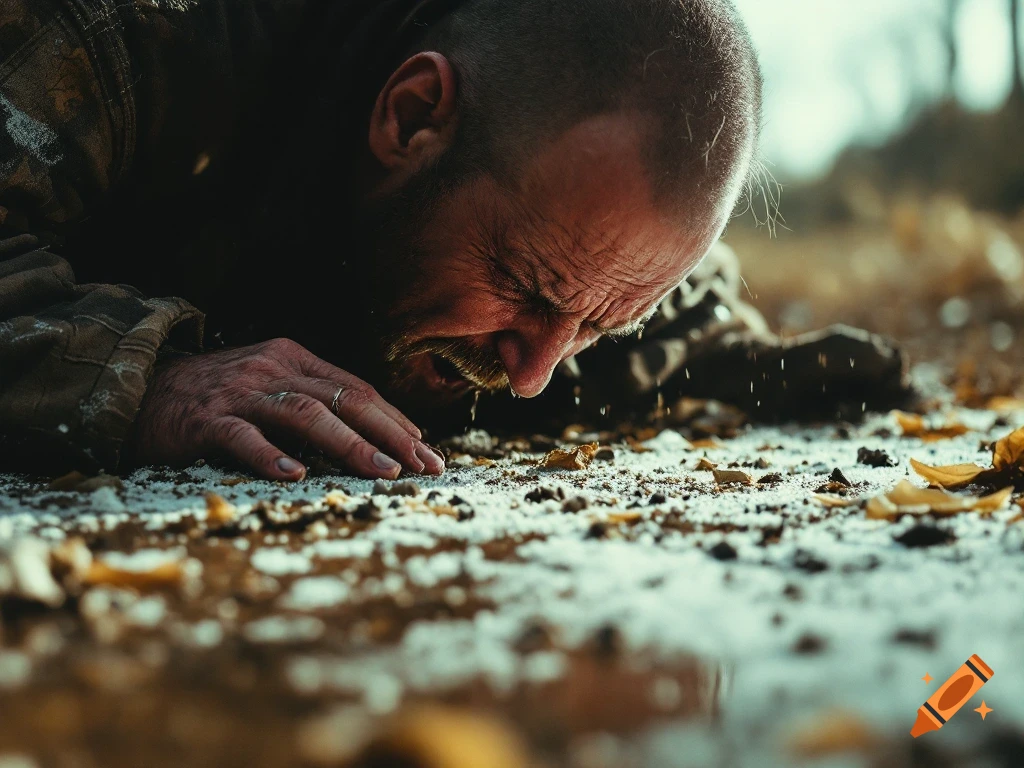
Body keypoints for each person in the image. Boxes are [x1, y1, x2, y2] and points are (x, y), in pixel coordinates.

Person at [0, 0, 908, 482]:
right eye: (527, 288)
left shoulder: (579, 243)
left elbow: (651, 305)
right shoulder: (123, 31)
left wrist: (749, 366)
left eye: (600, 326)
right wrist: (147, 378)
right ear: (412, 117)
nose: (532, 375)